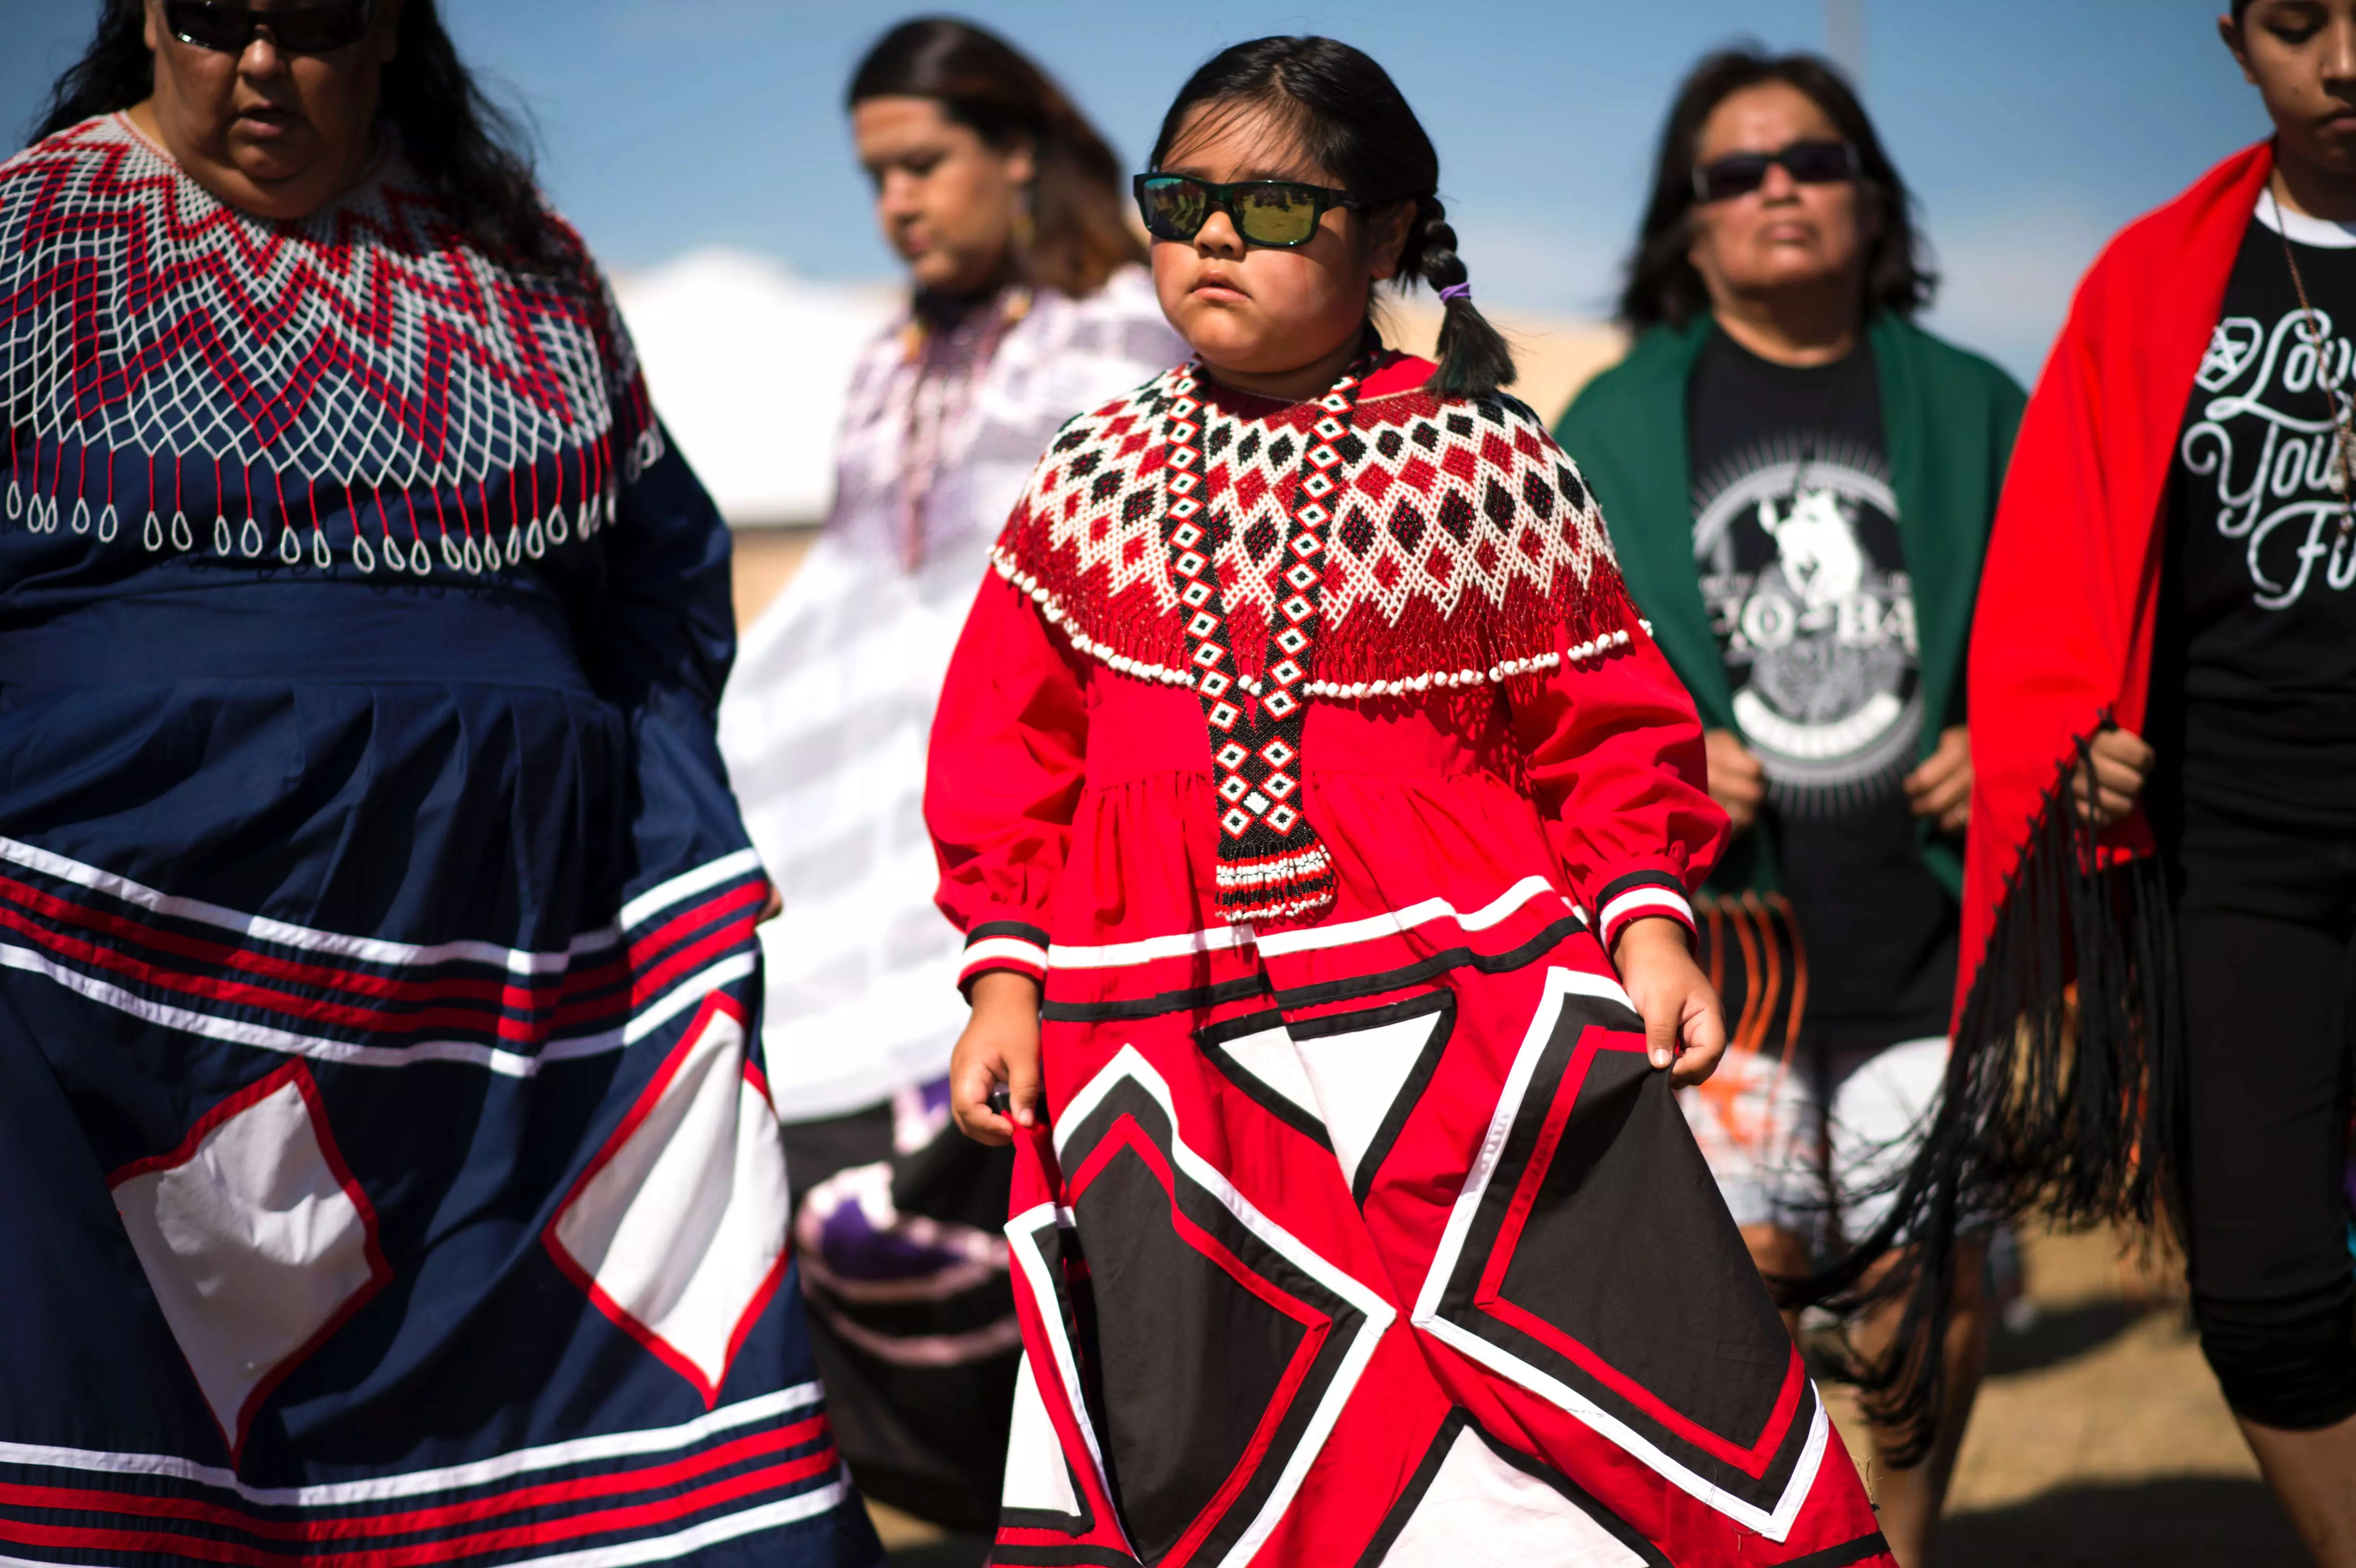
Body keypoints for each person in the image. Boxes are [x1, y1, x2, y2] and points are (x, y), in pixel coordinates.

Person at [926, 34, 1895, 1565]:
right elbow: (1008, 751)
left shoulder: (1486, 459)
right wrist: (1002, 977)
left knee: (1578, 1406)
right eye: (1181, 202)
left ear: (1384, 236)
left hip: (1472, 1029)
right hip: (1163, 1049)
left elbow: (1610, 732)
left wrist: (1649, 929)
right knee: (1235, 1436)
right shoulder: (1090, 470)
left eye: (1278, 208)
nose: (1218, 238)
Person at [0, 4, 879, 1562]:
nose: (264, 65)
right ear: (150, 19)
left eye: (318, 22)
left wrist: (670, 830)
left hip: (523, 989)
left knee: (610, 1441)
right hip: (108, 971)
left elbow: (661, 589)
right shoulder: (24, 252)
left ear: (390, 34)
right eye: (217, 18)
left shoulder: (521, 268)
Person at [1853, 2, 2356, 1563]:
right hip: (2243, 859)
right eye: (2297, 22)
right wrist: (2080, 743)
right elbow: (2057, 589)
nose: (2345, 59)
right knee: (2265, 1291)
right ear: (2233, 43)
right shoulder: (2151, 280)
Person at [1554, 50, 2026, 1566]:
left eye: (1812, 160)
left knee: (1925, 1284)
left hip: (1929, 931)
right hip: (1717, 945)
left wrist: (2010, 738)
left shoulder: (1970, 405)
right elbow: (1553, 680)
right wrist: (1665, 749)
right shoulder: (1612, 429)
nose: (1777, 189)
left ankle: (1905, 1548)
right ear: (1682, 225)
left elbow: (2070, 629)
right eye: (1734, 172)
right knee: (1737, 1274)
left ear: (1870, 195)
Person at [715, 17, 1183, 1533]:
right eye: (875, 178)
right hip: (857, 890)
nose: (897, 205)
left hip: (1043, 865)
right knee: (851, 1241)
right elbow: (855, 604)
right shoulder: (884, 362)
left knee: (1060, 1265)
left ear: (1020, 152)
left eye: (923, 165)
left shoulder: (1122, 331)